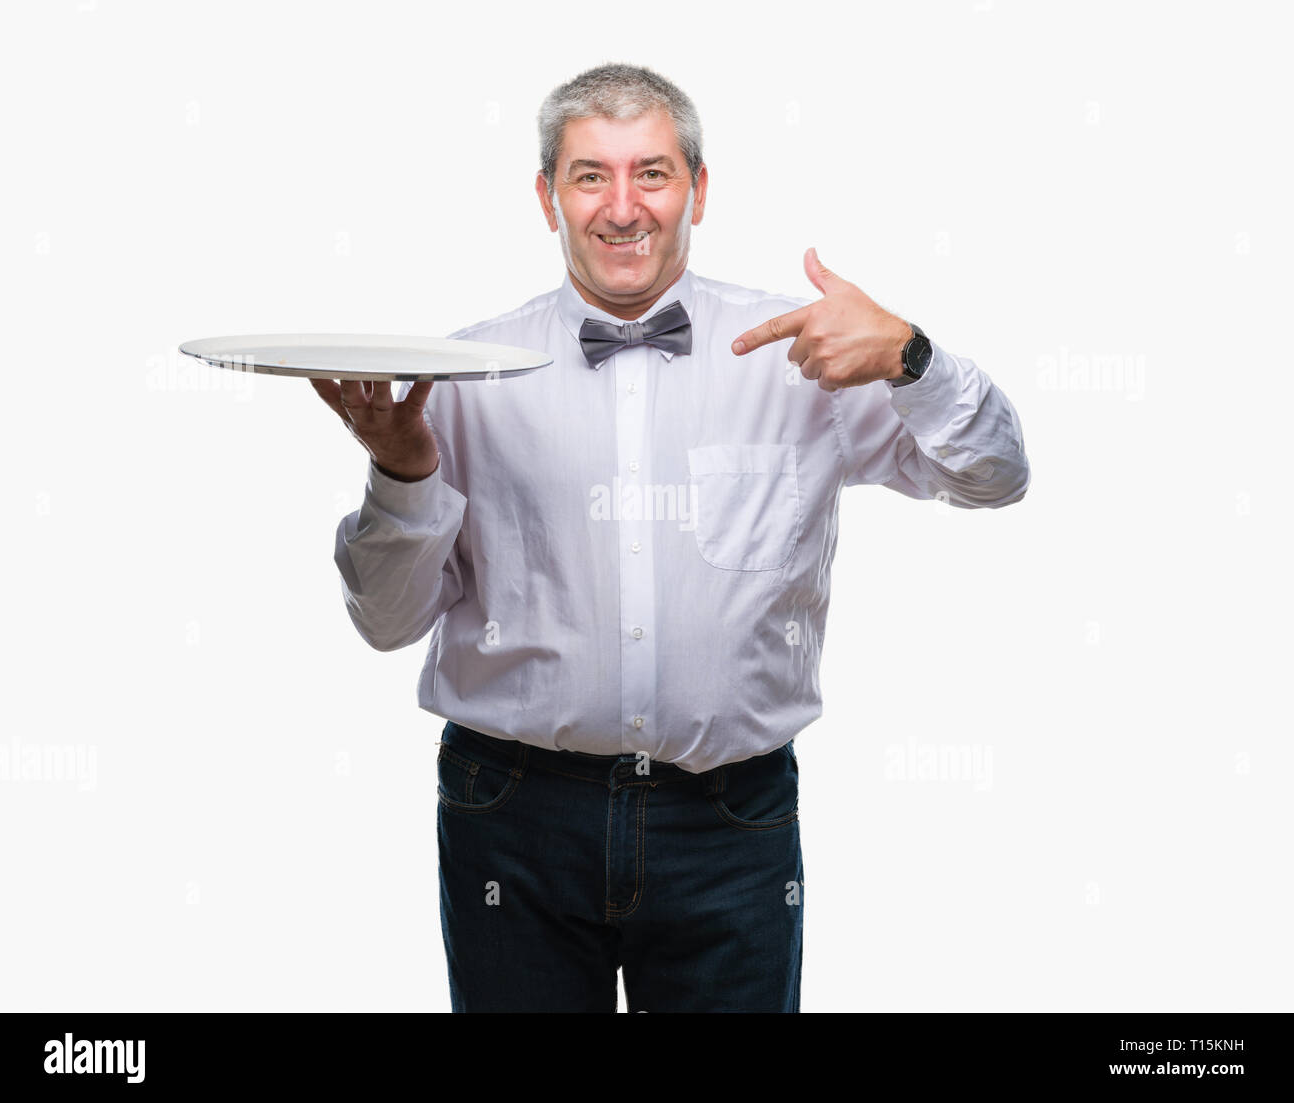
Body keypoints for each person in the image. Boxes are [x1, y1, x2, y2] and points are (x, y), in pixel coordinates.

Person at [310, 62, 1030, 1013]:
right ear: (546, 196)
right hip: (512, 815)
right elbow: (387, 622)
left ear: (698, 187)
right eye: (588, 175)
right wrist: (401, 468)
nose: (622, 208)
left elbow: (996, 476)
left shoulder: (802, 358)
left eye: (651, 173)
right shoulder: (466, 374)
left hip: (731, 823)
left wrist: (912, 356)